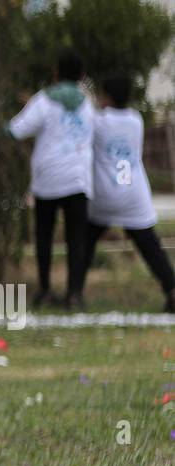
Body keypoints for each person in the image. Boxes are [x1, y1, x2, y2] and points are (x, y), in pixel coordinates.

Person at [8, 52, 94, 310]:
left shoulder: (44, 100)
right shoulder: (87, 104)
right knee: (76, 239)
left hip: (48, 178)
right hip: (78, 177)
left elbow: (17, 129)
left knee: (44, 237)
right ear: (82, 76)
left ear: (56, 73)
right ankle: (74, 294)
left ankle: (44, 290)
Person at [85, 75, 175, 312]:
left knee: (84, 243)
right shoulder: (136, 120)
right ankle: (171, 287)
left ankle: (73, 291)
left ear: (106, 96)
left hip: (106, 193)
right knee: (150, 246)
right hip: (134, 193)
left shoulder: (98, 121)